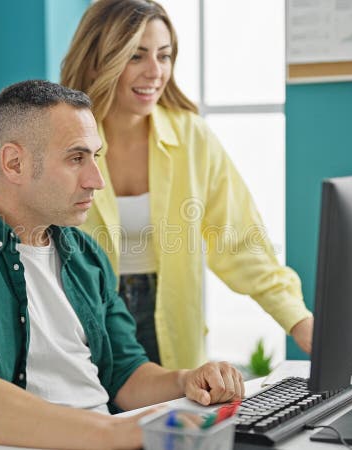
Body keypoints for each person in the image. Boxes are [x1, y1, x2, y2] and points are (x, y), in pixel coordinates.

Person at [0, 79, 245, 450]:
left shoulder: (85, 254)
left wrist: (185, 380)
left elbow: (125, 374)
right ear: (14, 163)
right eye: (76, 158)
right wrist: (117, 433)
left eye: (96, 156)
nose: (96, 180)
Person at [60, 0, 314, 370]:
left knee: (169, 423)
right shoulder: (62, 137)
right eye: (136, 56)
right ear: (99, 59)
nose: (155, 72)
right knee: (97, 424)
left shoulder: (192, 137)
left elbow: (239, 239)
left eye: (164, 56)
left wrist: (299, 319)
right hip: (81, 318)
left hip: (170, 322)